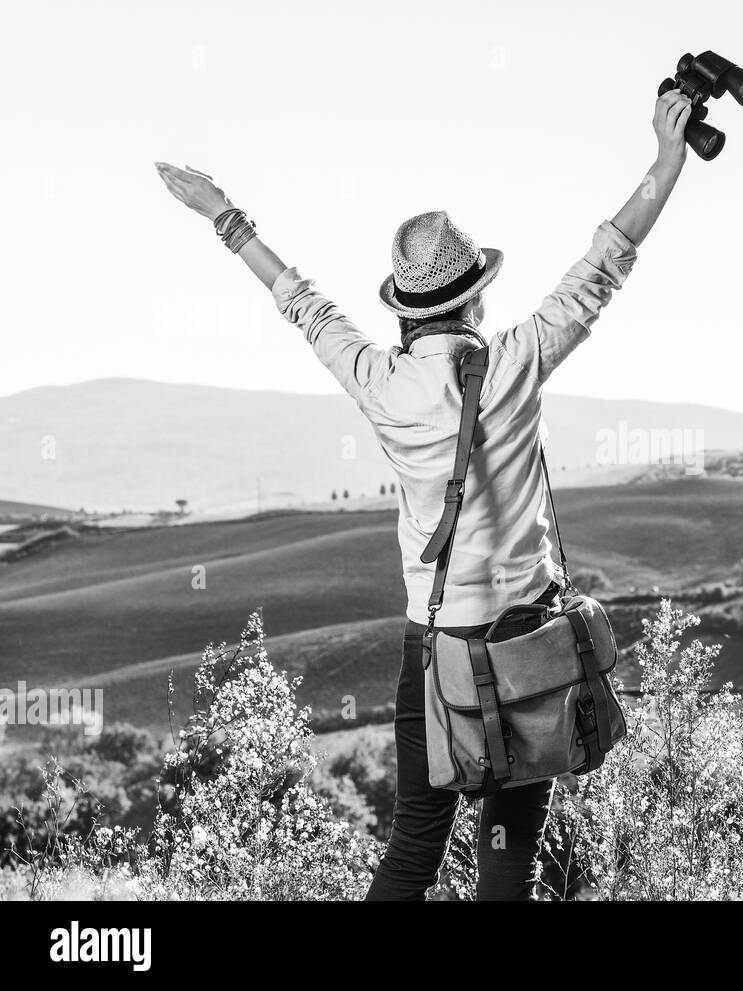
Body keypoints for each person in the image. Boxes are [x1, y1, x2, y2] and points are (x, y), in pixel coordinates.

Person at [155, 89, 693, 900]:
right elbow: (604, 264)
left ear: (406, 309)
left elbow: (301, 302)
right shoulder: (517, 362)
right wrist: (665, 159)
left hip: (434, 647)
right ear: (476, 296)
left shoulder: (378, 381)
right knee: (509, 852)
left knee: (414, 846)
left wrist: (224, 214)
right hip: (529, 642)